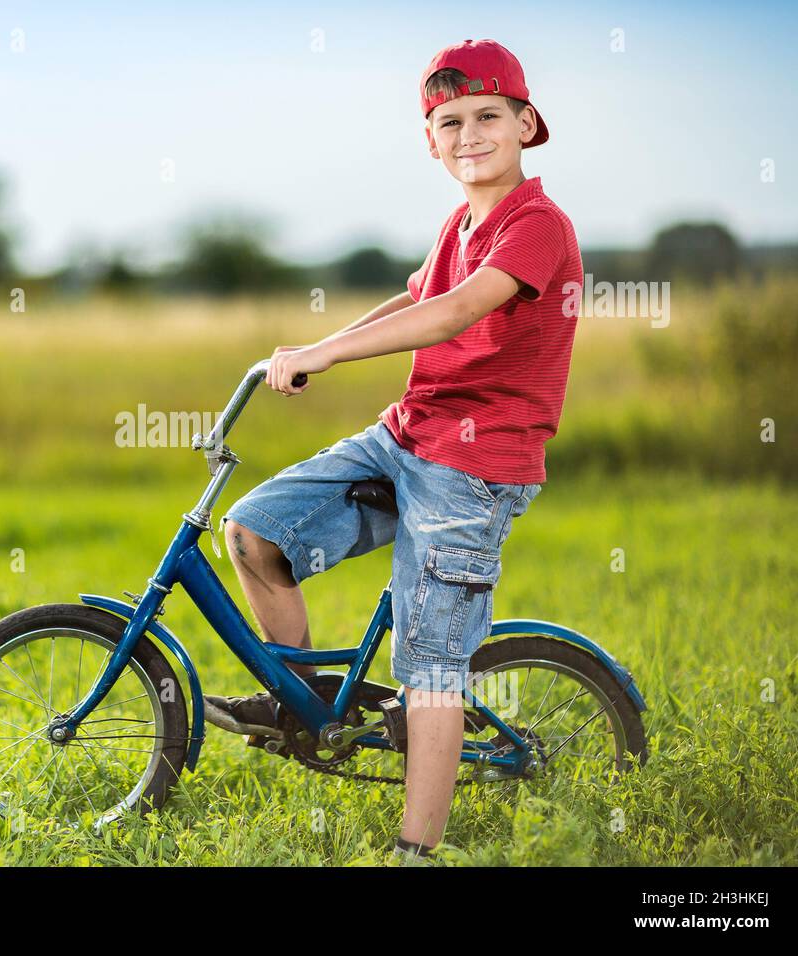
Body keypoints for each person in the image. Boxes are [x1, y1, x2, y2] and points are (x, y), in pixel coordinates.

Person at [207, 38, 584, 862]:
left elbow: (454, 314)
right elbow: (416, 296)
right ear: (430, 140)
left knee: (431, 667)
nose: (471, 134)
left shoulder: (537, 227)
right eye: (450, 121)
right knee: (253, 528)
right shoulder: (461, 221)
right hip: (407, 434)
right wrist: (317, 343)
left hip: (473, 468)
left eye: (489, 116)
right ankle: (303, 703)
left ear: (525, 124)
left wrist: (329, 357)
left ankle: (416, 852)